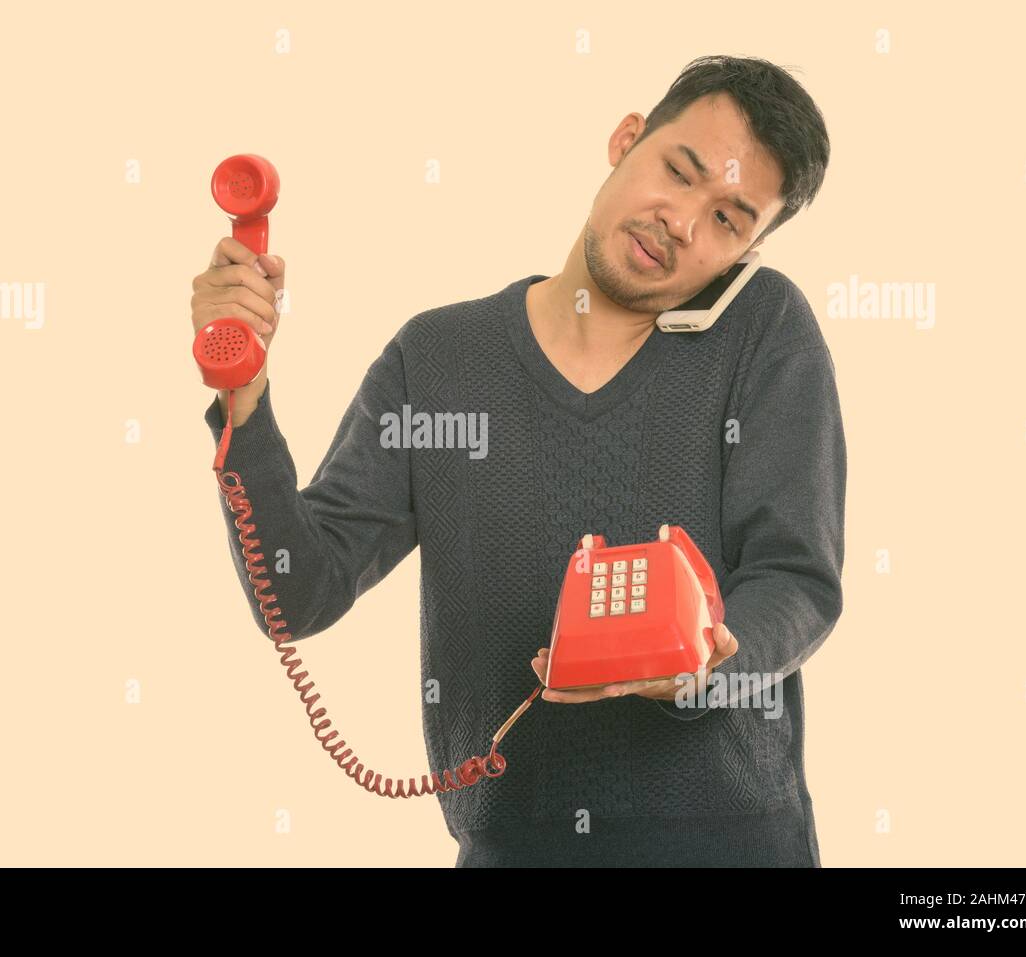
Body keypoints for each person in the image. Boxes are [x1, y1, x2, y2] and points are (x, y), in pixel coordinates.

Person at [192, 54, 845, 867]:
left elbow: (798, 578)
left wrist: (703, 663)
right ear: (626, 138)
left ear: (746, 252)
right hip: (514, 848)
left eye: (728, 219)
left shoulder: (763, 331)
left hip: (734, 847)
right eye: (679, 173)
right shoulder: (438, 358)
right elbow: (295, 590)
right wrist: (243, 400)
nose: (682, 222)